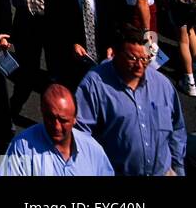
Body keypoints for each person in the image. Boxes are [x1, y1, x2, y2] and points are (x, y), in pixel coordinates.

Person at [75, 26, 185, 176]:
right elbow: (80, 135)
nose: (140, 65)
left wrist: (178, 167)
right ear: (115, 53)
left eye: (145, 59)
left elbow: (177, 128)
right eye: (132, 58)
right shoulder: (94, 84)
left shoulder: (163, 85)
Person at [43, 0, 127, 92]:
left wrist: (114, 46)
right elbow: (52, 29)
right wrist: (71, 44)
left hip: (107, 63)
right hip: (72, 66)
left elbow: (122, 25)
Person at [0, 83, 115, 176]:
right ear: (43, 114)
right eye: (50, 118)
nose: (56, 126)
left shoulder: (92, 150)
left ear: (75, 119)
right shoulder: (22, 147)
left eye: (63, 120)